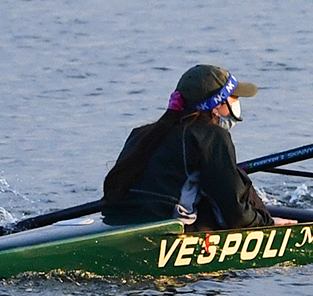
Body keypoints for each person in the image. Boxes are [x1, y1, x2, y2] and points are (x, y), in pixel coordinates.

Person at [102, 64, 275, 230]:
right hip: (164, 227)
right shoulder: (212, 136)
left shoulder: (140, 134)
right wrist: (268, 224)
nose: (237, 103)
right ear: (216, 105)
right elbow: (234, 213)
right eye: (234, 98)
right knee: (239, 181)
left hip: (116, 219)